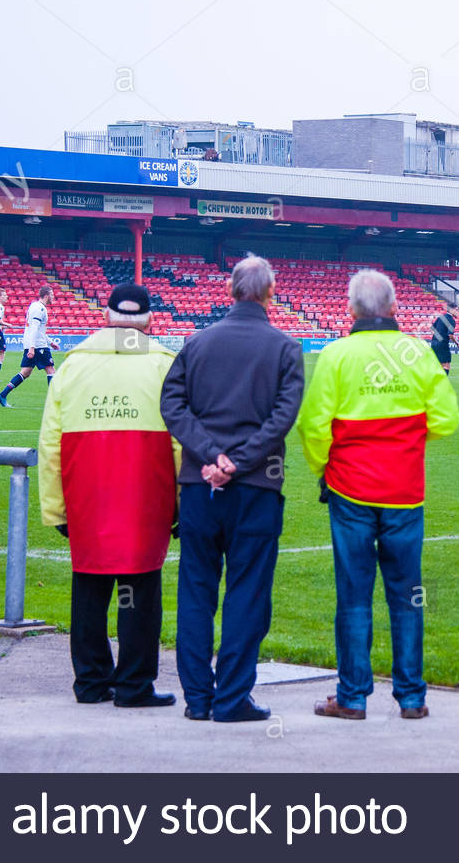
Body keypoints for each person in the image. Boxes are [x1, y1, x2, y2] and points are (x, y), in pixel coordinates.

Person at [298, 269, 459, 721]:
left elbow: (313, 426)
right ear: (394, 309)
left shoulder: (335, 355)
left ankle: (351, 697)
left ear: (351, 310)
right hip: (404, 492)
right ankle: (412, 697)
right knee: (407, 594)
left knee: (353, 595)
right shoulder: (417, 352)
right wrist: (404, 443)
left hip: (350, 491)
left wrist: (324, 469)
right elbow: (446, 420)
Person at [159, 255, 305, 722]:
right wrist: (237, 462)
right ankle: (232, 698)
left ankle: (198, 699)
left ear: (230, 291)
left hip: (200, 487)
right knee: (247, 593)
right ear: (270, 293)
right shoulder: (285, 348)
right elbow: (283, 417)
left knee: (197, 590)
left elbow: (172, 405)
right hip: (257, 488)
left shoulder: (196, 342)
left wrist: (209, 455)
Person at [38, 283, 179, 708]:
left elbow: (50, 443)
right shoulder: (164, 365)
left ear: (106, 317)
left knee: (89, 589)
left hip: (88, 498)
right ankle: (134, 685)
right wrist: (179, 506)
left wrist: (55, 507)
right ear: (150, 320)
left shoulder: (72, 366)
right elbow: (180, 444)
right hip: (145, 499)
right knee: (140, 592)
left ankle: (91, 682)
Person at [0, 286, 56, 408]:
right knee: (51, 370)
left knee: (26, 372)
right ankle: (53, 402)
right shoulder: (40, 309)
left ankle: (2, 395)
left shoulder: (35, 306)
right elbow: (34, 328)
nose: (53, 297)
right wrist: (33, 348)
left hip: (32, 344)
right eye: (52, 294)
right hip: (38, 346)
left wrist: (50, 342)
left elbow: (38, 329)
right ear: (46, 295)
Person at [429, 302, 459, 375]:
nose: (458, 311)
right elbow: (450, 335)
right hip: (443, 345)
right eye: (456, 310)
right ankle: (441, 384)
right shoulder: (451, 320)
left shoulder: (441, 317)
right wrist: (457, 343)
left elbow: (432, 329)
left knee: (437, 365)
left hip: (434, 343)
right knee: (446, 365)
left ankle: (434, 382)